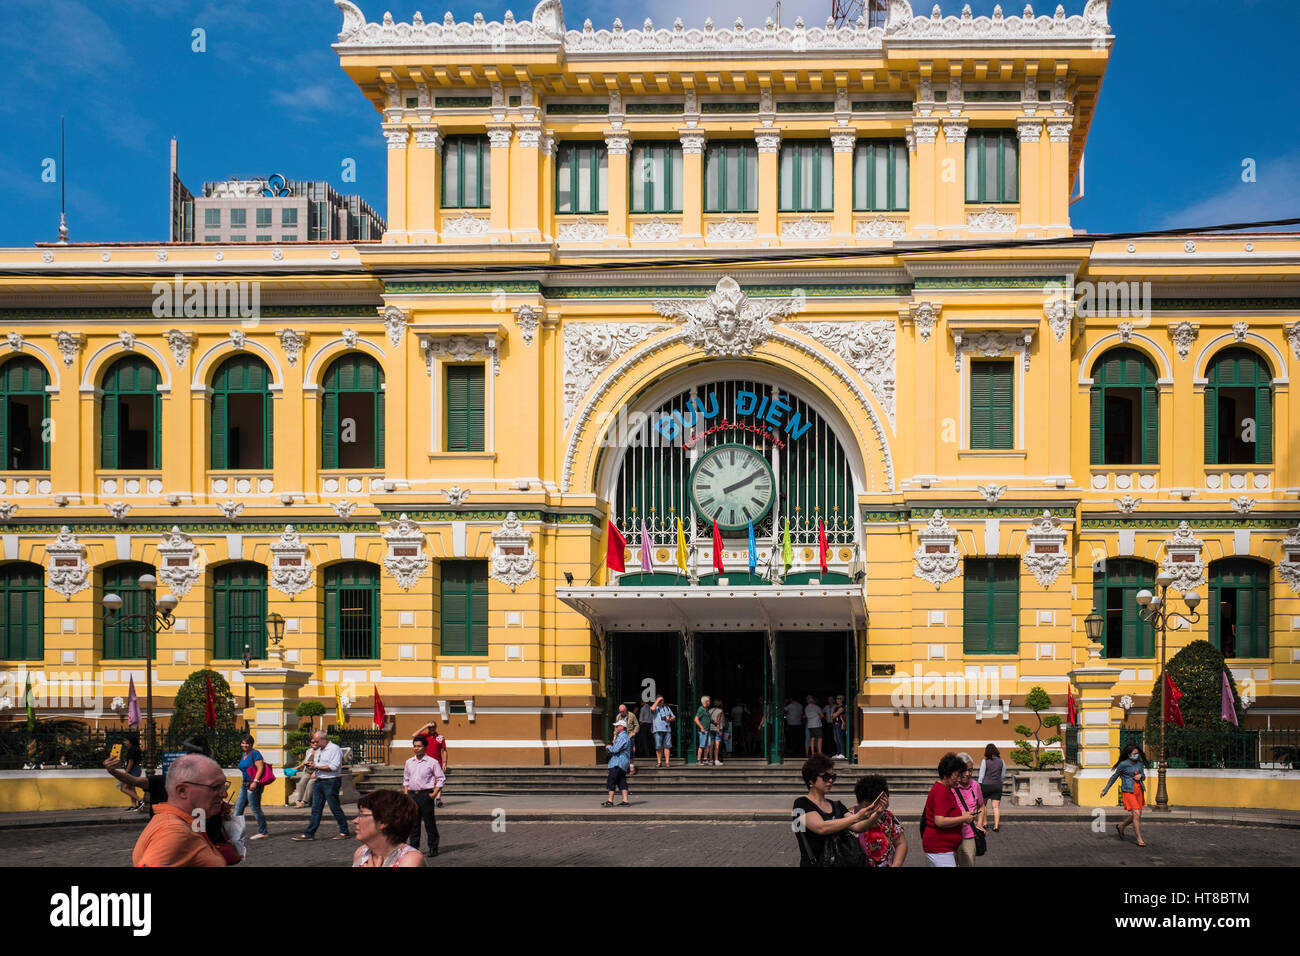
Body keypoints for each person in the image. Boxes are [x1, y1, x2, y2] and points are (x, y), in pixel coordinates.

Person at [132, 754, 228, 867]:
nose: (224, 794)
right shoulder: (175, 831)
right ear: (182, 791)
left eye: (224, 787)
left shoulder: (181, 822)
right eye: (215, 787)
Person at [791, 754, 879, 867]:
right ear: (811, 780)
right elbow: (821, 827)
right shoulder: (801, 804)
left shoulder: (836, 805)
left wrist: (877, 812)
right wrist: (857, 817)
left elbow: (858, 827)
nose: (831, 780)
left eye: (833, 776)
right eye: (826, 777)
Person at [292, 730, 351, 842]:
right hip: (319, 781)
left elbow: (334, 766)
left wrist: (317, 767)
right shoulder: (319, 750)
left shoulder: (334, 749)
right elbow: (318, 764)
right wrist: (313, 767)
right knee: (316, 809)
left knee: (334, 807)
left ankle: (344, 831)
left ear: (323, 740)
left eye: (316, 740)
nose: (314, 742)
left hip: (331, 781)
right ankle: (309, 834)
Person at [921, 752, 974, 867]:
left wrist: (962, 815)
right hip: (940, 848)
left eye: (960, 775)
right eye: (956, 775)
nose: (959, 779)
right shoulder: (941, 791)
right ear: (946, 774)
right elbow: (939, 821)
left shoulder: (946, 789)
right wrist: (963, 818)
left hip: (942, 848)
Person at [352, 790, 426, 867]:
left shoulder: (410, 859)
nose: (355, 821)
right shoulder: (361, 853)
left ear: (384, 821)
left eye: (362, 815)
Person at [403, 734, 445, 857]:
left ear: (425, 747)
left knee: (429, 823)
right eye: (414, 746)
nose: (416, 748)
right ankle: (414, 848)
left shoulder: (432, 762)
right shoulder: (409, 762)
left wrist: (434, 794)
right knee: (413, 824)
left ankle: (433, 848)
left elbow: (441, 778)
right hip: (412, 796)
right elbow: (406, 779)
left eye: (419, 746)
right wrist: (406, 795)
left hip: (426, 795)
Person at [852, 775, 908, 868]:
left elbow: (901, 843)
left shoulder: (887, 817)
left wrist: (896, 864)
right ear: (861, 802)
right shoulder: (849, 818)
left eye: (877, 804)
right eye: (868, 805)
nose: (872, 809)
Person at [1100, 745, 1149, 847]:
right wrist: (1105, 790)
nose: (1136, 755)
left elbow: (1143, 776)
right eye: (1134, 754)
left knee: (1137, 815)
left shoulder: (1139, 764)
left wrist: (1141, 776)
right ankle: (1139, 839)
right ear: (1129, 754)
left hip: (1139, 791)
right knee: (1136, 813)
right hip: (1128, 791)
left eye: (1137, 753)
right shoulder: (1123, 764)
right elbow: (1114, 777)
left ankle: (1121, 826)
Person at [952, 752, 987, 867]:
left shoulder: (975, 786)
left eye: (971, 770)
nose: (968, 773)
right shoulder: (950, 787)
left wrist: (980, 824)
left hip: (968, 835)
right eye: (965, 770)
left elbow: (981, 806)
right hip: (951, 834)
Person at [234, 734, 270, 840]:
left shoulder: (255, 753)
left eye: (247, 743)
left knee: (255, 808)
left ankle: (263, 832)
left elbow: (260, 768)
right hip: (244, 785)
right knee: (238, 809)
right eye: (243, 743)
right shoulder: (244, 754)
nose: (244, 745)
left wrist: (255, 781)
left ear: (251, 744)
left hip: (253, 785)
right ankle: (235, 832)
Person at [416, 721, 449, 806]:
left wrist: (445, 762)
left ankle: (438, 798)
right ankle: (428, 797)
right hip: (426, 762)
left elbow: (444, 750)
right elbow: (414, 735)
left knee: (438, 780)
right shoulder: (424, 737)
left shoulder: (440, 738)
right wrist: (425, 725)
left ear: (436, 727)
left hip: (438, 762)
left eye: (433, 727)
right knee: (427, 780)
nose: (431, 729)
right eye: (430, 727)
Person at [603, 719, 632, 806]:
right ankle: (625, 800)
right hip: (622, 763)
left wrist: (609, 747)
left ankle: (610, 800)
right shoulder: (622, 736)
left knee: (612, 780)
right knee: (621, 781)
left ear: (622, 727)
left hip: (618, 762)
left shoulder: (623, 737)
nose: (615, 727)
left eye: (617, 726)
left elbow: (615, 749)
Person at [978, 744, 1005, 831]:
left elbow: (981, 775)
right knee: (996, 807)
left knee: (984, 805)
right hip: (997, 785)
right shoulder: (1002, 761)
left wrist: (979, 784)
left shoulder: (985, 761)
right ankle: (996, 826)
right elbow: (1003, 775)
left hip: (985, 785)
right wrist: (999, 781)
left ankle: (985, 823)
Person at [116, 732, 144, 810]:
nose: (125, 742)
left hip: (133, 770)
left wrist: (126, 773)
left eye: (126, 741)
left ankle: (140, 800)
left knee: (123, 788)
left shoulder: (132, 749)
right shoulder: (135, 749)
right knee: (131, 788)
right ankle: (134, 805)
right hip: (136, 769)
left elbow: (131, 762)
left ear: (130, 741)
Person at [291, 738, 321, 808]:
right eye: (313, 742)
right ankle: (299, 800)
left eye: (316, 742)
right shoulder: (309, 751)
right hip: (308, 771)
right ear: (310, 743)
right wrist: (297, 767)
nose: (315, 744)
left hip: (317, 772)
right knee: (301, 783)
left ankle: (304, 802)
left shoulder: (321, 751)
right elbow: (305, 761)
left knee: (310, 783)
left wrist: (315, 769)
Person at [650, 695, 675, 767]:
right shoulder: (655, 708)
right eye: (659, 700)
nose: (661, 702)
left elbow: (673, 717)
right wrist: (657, 701)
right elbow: (652, 709)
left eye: (662, 700)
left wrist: (670, 719)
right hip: (657, 729)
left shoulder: (667, 708)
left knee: (667, 746)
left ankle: (667, 762)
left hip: (667, 729)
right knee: (658, 746)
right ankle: (659, 762)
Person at [618, 703, 640, 774]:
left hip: (629, 736)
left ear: (626, 710)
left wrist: (634, 732)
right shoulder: (618, 716)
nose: (621, 713)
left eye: (623, 711)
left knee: (630, 752)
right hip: (621, 737)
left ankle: (631, 767)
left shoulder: (632, 715)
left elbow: (637, 725)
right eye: (620, 711)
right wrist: (615, 736)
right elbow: (616, 728)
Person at [694, 695, 713, 765]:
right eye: (709, 701)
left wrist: (715, 723)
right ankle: (698, 760)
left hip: (707, 730)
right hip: (703, 730)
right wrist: (701, 727)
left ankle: (705, 759)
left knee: (708, 745)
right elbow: (696, 719)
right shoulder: (701, 709)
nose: (710, 702)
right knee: (702, 745)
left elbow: (709, 719)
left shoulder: (706, 709)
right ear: (706, 702)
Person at [829, 695, 848, 760]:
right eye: (836, 698)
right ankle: (838, 753)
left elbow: (835, 715)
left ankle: (842, 753)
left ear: (842, 699)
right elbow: (831, 716)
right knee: (836, 739)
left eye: (839, 698)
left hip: (839, 724)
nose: (837, 700)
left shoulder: (842, 707)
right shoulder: (836, 707)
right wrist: (833, 715)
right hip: (835, 723)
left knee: (840, 739)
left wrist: (833, 715)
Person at [709, 697, 725, 766]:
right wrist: (718, 730)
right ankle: (716, 760)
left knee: (711, 745)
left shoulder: (710, 710)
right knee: (717, 745)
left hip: (711, 729)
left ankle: (710, 759)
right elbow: (718, 721)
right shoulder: (720, 711)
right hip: (717, 729)